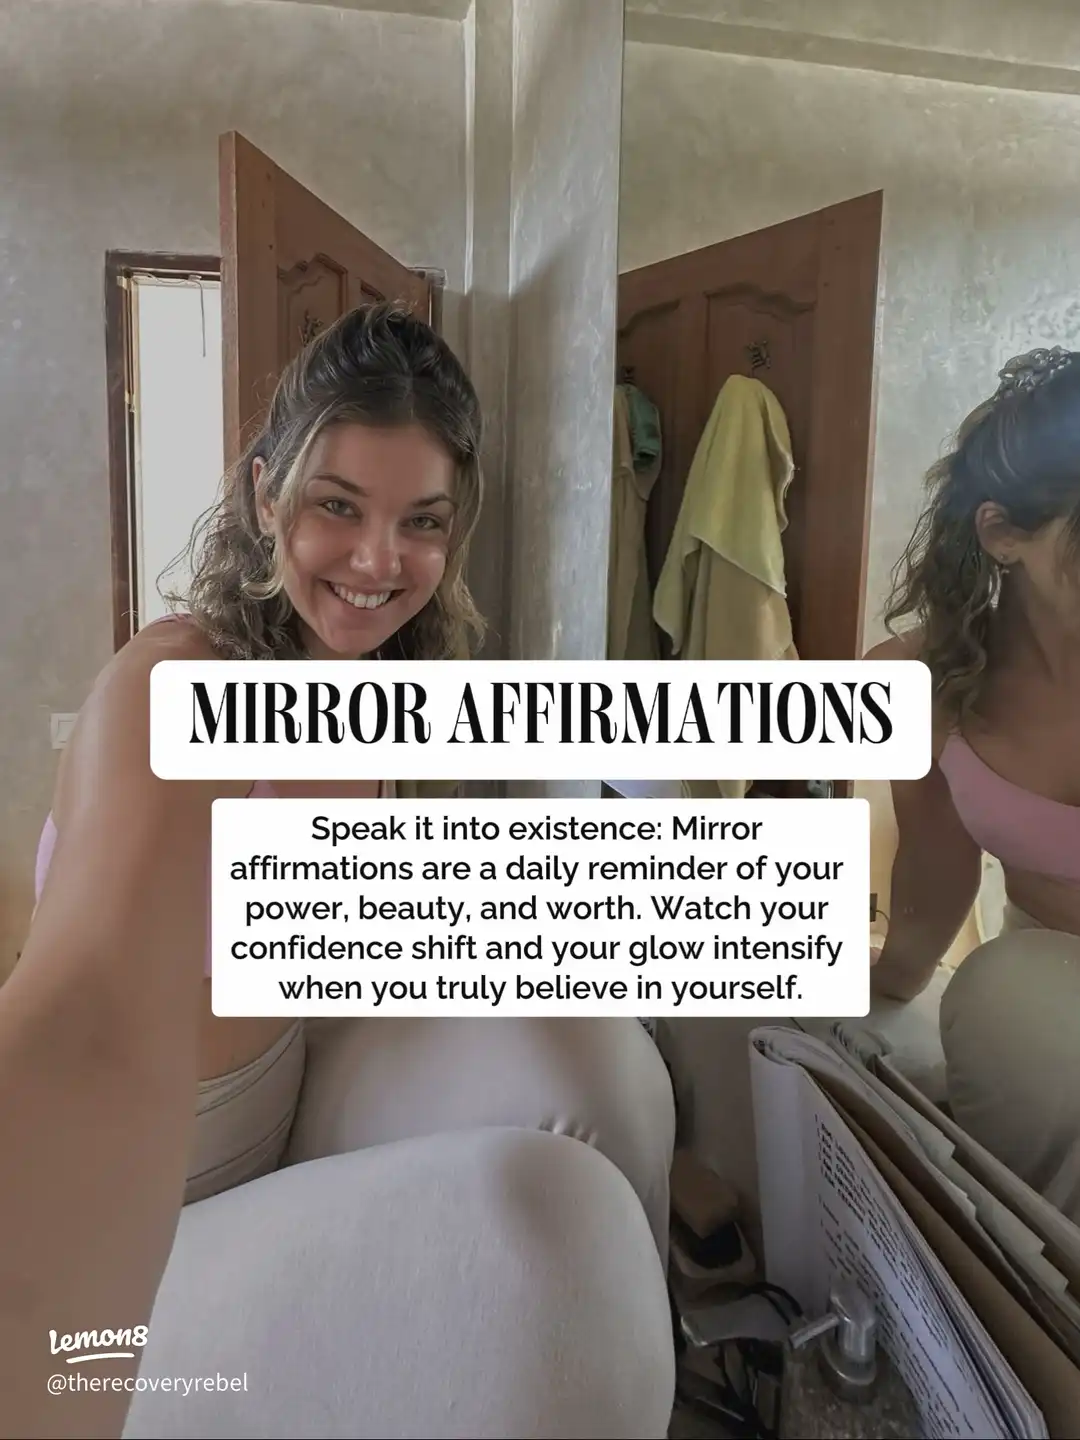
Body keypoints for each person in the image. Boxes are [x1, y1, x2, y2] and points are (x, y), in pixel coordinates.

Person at [5, 303, 676, 1439]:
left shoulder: (370, 690)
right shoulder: (181, 682)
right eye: (337, 507)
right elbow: (90, 1023)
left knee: (603, 1053)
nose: (379, 562)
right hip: (156, 1217)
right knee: (559, 1232)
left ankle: (654, 1372)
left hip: (291, 1085)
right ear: (267, 496)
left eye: (422, 520)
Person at [866, 345, 1080, 1224]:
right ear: (1004, 535)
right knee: (1005, 994)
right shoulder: (924, 683)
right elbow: (934, 876)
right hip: (1047, 994)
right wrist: (868, 1006)